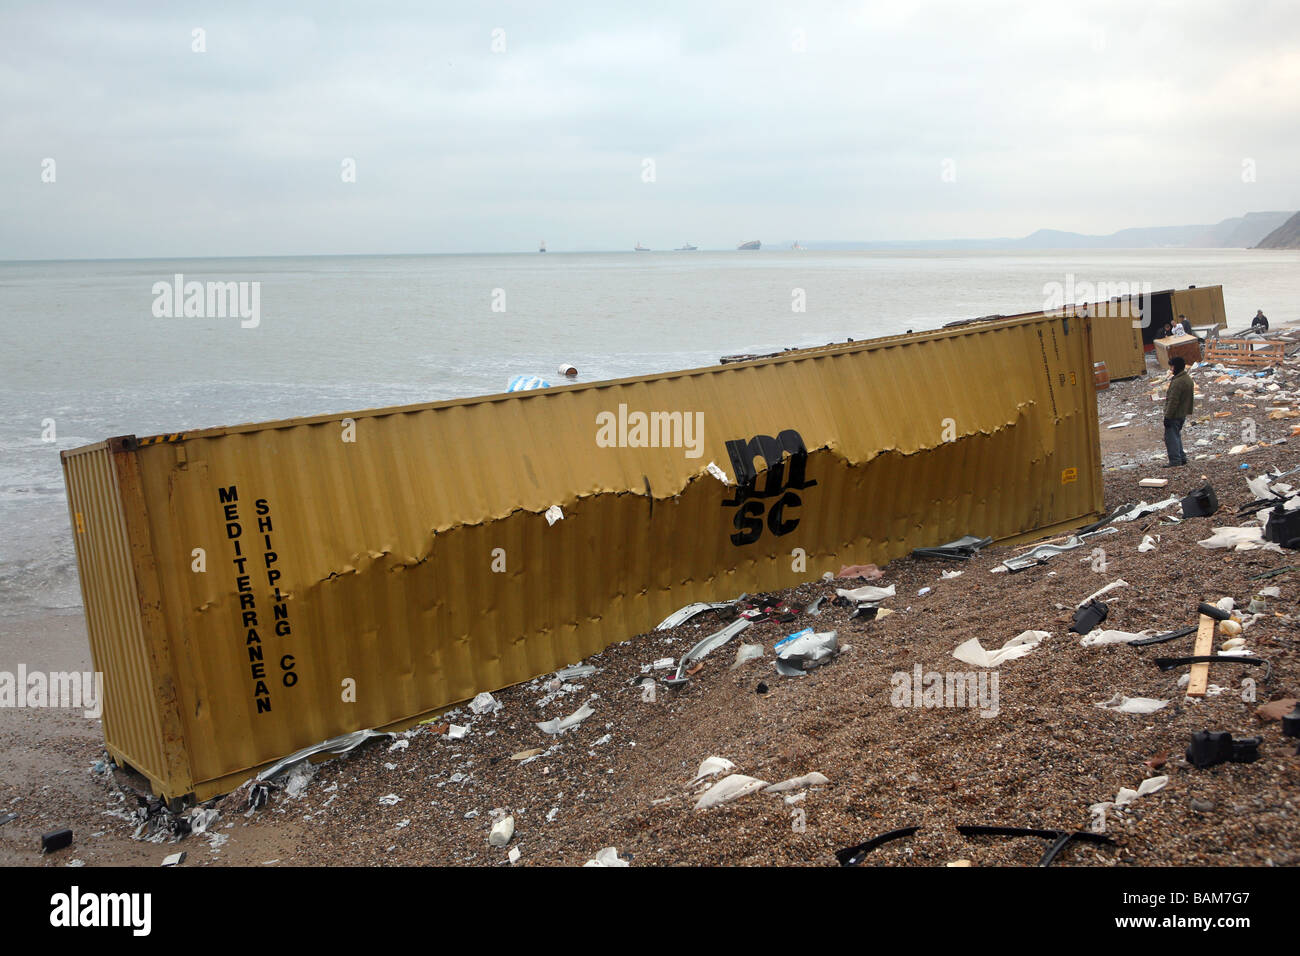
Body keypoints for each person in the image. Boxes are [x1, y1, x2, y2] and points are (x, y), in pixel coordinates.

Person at [1163, 356, 1193, 467]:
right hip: (1182, 413)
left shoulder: (1178, 382)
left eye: (1171, 366)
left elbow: (1173, 401)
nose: (1171, 369)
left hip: (1175, 414)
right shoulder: (1187, 378)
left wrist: (1168, 416)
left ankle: (1175, 460)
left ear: (1176, 367)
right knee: (1176, 435)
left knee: (1171, 437)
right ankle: (1181, 457)